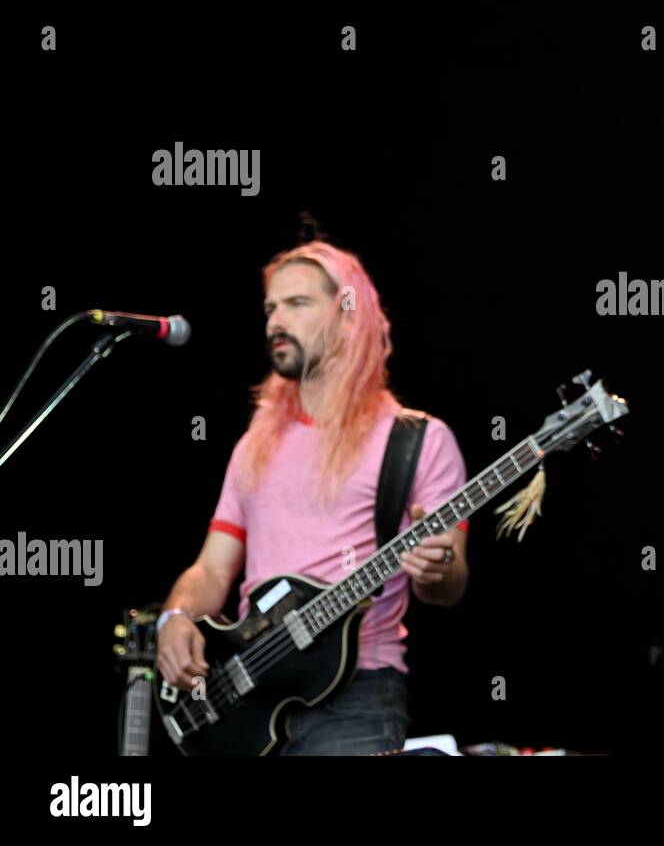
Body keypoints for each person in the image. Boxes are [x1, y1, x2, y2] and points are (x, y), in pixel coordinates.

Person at [155, 240, 469, 755]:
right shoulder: (255, 444)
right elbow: (211, 570)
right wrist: (176, 619)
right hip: (248, 696)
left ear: (350, 315)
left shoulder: (418, 441)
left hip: (357, 696)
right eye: (270, 308)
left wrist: (438, 570)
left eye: (297, 304)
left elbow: (448, 587)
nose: (275, 320)